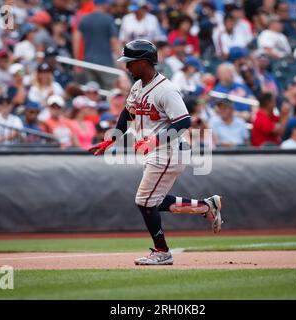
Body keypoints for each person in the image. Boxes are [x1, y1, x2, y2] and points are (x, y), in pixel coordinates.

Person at [89, 40, 223, 266]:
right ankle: (206, 205)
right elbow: (127, 112)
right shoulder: (138, 86)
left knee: (144, 201)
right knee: (154, 200)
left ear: (143, 62)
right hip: (155, 151)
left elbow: (183, 122)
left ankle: (162, 251)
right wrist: (112, 137)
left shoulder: (166, 89)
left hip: (167, 151)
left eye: (130, 62)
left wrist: (154, 140)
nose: (127, 67)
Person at [73, 0, 120, 88]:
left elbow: (76, 40)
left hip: (89, 62)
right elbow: (114, 42)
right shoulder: (108, 19)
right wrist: (121, 60)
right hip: (106, 63)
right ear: (103, 4)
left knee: (92, 92)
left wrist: (77, 61)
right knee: (111, 91)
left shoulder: (84, 19)